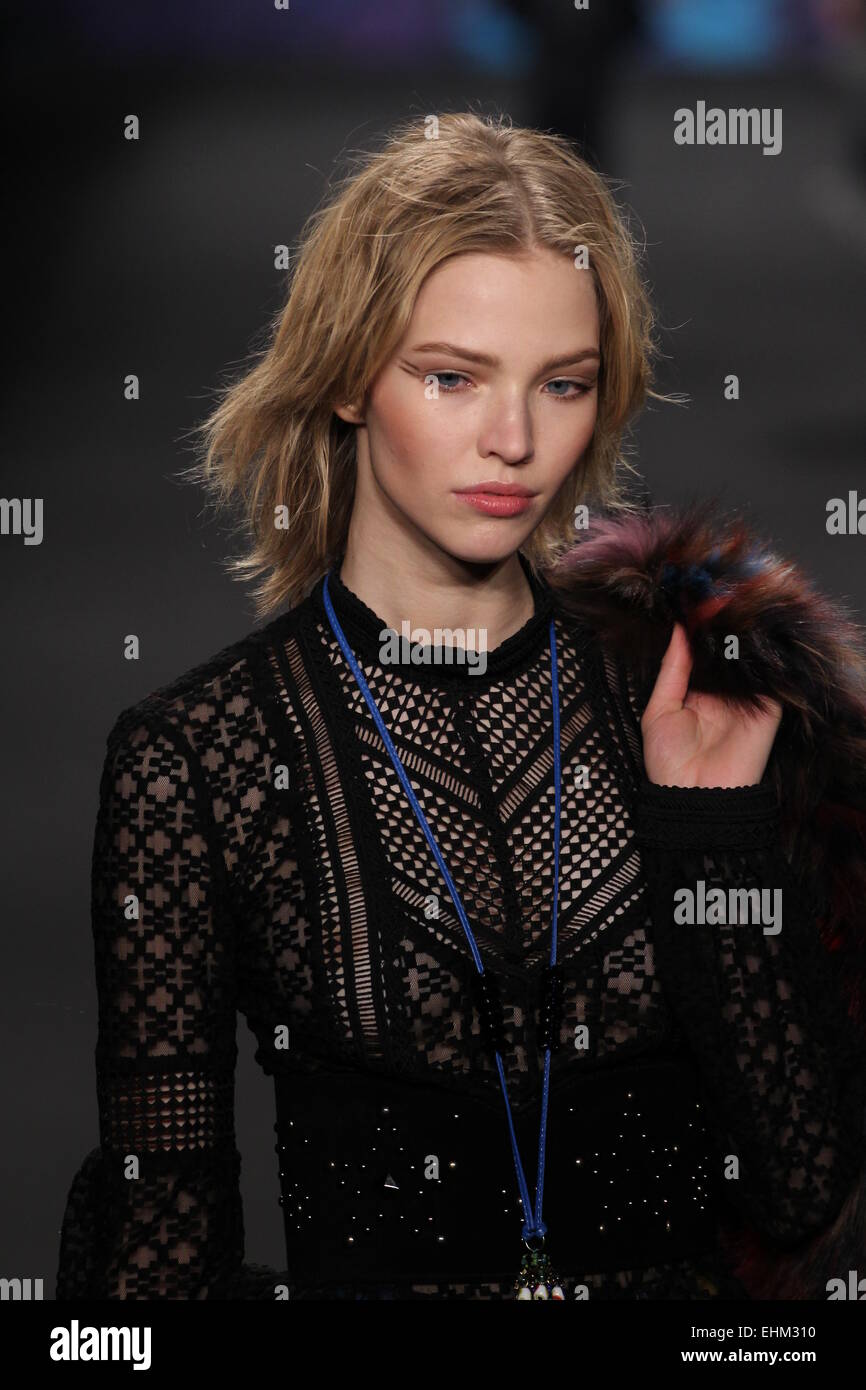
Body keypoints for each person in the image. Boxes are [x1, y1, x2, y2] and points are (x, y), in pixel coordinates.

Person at [56, 112, 866, 1300]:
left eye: (564, 384)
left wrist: (710, 838)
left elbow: (802, 1192)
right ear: (344, 377)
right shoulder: (199, 759)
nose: (514, 441)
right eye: (450, 377)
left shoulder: (690, 698)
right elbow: (158, 1250)